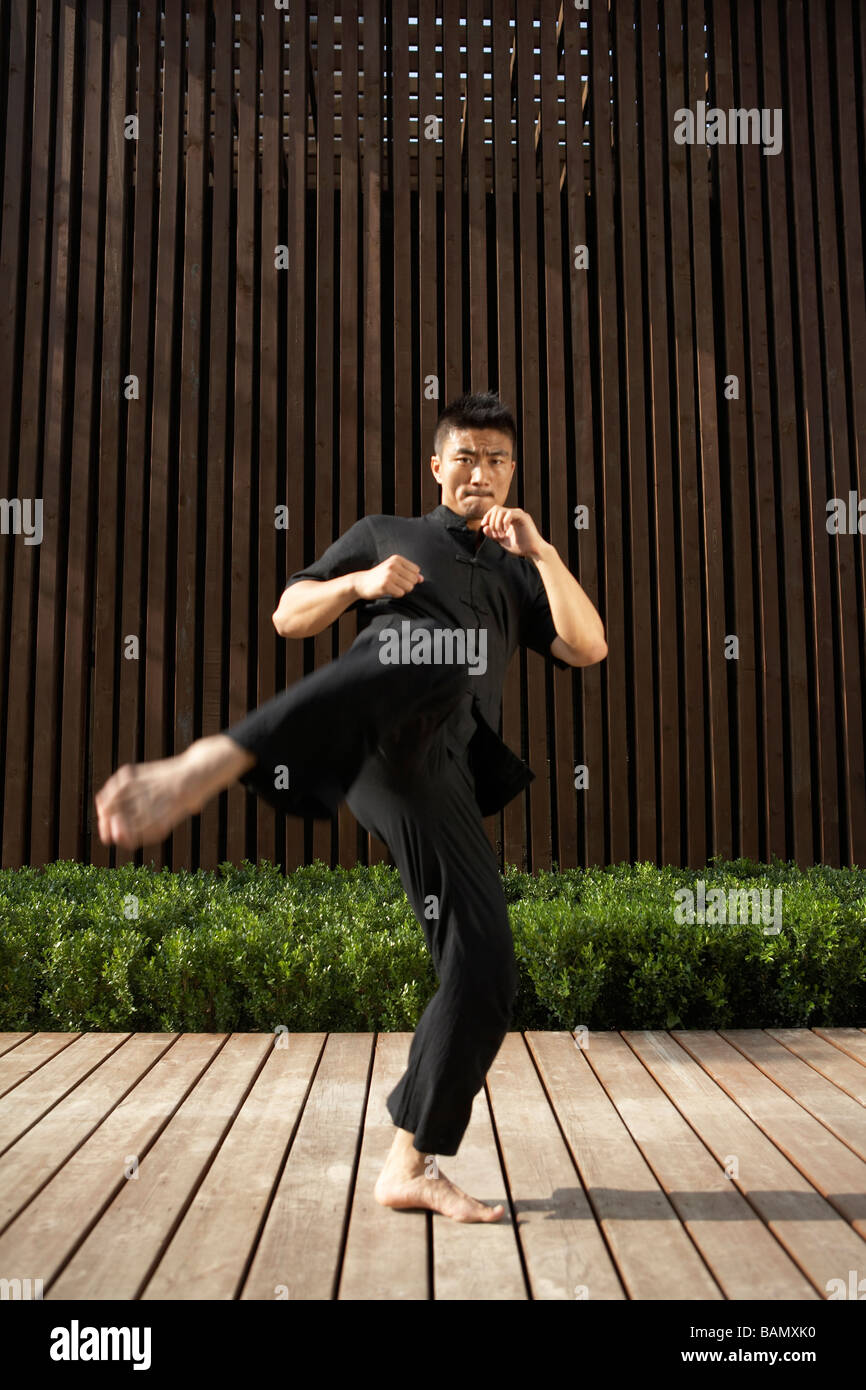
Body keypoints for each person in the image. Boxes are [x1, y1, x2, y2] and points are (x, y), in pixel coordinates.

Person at [94, 392, 607, 1223]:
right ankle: (225, 754)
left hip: (446, 774)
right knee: (431, 647)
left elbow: (588, 646)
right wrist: (361, 582)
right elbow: (288, 614)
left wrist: (543, 550)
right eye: (467, 456)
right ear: (437, 466)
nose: (482, 473)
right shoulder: (384, 533)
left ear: (515, 471)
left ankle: (410, 1164)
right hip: (372, 741)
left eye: (499, 460)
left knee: (484, 972)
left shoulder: (519, 563)